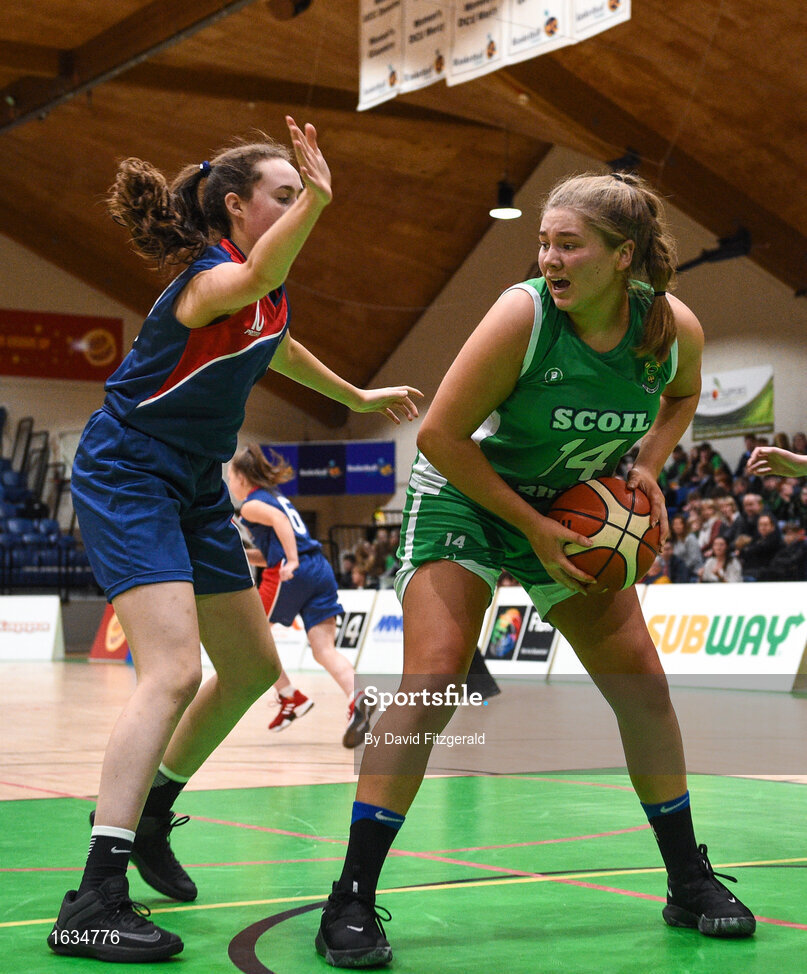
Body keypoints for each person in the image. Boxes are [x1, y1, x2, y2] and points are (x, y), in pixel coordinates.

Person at [314, 171, 754, 969]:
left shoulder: (670, 327)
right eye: (543, 242)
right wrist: (535, 530)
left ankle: (687, 878)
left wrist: (648, 464)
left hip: (568, 506)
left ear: (622, 257)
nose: (548, 257)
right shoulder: (522, 314)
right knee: (437, 677)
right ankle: (349, 897)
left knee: (642, 683)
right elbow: (442, 437)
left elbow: (682, 398)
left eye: (567, 244)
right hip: (466, 495)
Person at [50, 116, 422, 963]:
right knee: (175, 671)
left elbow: (279, 350)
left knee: (253, 667)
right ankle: (96, 895)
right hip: (130, 471)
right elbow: (259, 278)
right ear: (234, 206)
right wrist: (323, 198)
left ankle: (149, 813)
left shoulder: (261, 294)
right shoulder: (209, 278)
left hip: (195, 484)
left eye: (301, 196)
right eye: (283, 196)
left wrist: (358, 396)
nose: (298, 208)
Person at [228, 444, 374, 747]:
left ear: (242, 477)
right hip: (319, 569)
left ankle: (289, 696)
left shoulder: (250, 505)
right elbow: (273, 550)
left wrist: (291, 560)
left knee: (248, 638)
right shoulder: (277, 497)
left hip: (292, 572)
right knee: (324, 650)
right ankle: (358, 696)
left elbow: (282, 529)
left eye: (230, 476)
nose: (229, 483)